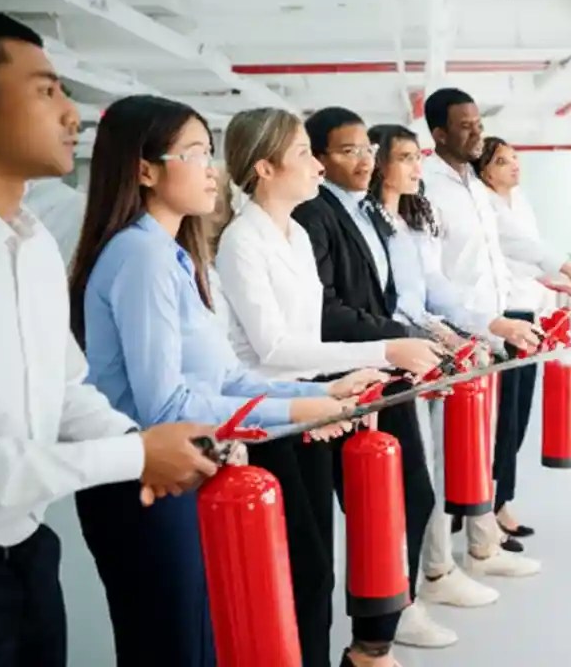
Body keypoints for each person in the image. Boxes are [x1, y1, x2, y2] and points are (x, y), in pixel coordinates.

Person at [0, 0, 217, 667]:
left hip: (27, 552)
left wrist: (155, 447)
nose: (70, 114)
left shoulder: (28, 243)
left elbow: (67, 389)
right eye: (46, 90)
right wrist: (138, 457)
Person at [67, 94, 361, 667]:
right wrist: (300, 413)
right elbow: (166, 404)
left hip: (180, 476)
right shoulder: (140, 257)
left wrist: (322, 393)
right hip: (146, 484)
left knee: (202, 642)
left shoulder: (171, 255)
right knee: (175, 648)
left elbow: (226, 375)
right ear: (145, 170)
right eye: (196, 153)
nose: (213, 169)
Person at [214, 107, 443, 665]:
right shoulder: (242, 241)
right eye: (302, 154)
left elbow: (308, 333)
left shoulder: (291, 232)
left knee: (316, 570)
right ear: (265, 168)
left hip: (308, 411)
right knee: (298, 574)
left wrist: (344, 382)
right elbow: (273, 347)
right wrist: (383, 350)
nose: (315, 165)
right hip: (269, 423)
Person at [368, 123, 547, 645]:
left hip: (443, 344)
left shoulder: (412, 214)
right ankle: (422, 583)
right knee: (417, 480)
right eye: (403, 157)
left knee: (454, 463)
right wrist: (441, 329)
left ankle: (447, 567)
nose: (415, 166)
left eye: (414, 156)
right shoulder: (368, 221)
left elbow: (432, 289)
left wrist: (480, 325)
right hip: (400, 357)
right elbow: (397, 303)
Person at [293, 106, 443, 667]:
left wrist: (416, 336)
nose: (363, 159)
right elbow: (327, 311)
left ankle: (377, 632)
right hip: (342, 379)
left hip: (382, 369)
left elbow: (386, 293)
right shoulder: (315, 214)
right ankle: (372, 639)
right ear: (318, 159)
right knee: (377, 506)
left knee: (408, 498)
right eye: (347, 150)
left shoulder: (364, 212)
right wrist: (396, 336)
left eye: (366, 149)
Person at [420, 87, 571, 580]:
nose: (477, 132)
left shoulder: (472, 184)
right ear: (439, 134)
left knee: (483, 445)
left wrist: (564, 265)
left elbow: (512, 239)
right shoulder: (428, 189)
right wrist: (484, 322)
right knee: (447, 457)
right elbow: (433, 279)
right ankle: (436, 569)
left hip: (492, 334)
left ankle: (483, 547)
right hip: (455, 336)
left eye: (479, 122)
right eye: (465, 125)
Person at [472, 134, 571, 536]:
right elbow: (522, 247)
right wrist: (569, 271)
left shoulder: (520, 201)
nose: (514, 166)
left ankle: (498, 500)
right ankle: (490, 506)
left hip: (530, 314)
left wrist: (556, 286)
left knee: (519, 414)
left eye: (515, 158)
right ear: (484, 171)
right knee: (503, 418)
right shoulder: (485, 205)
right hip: (503, 318)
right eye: (503, 161)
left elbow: (531, 256)